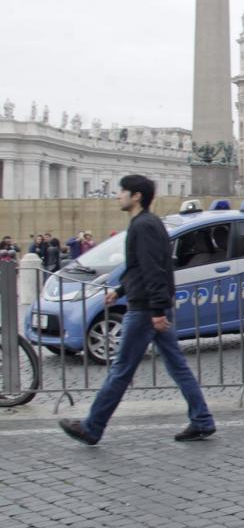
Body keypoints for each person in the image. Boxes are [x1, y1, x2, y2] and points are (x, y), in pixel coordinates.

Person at [58, 175, 216, 446]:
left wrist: (155, 311)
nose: (118, 195)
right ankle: (202, 419)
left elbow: (153, 269)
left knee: (121, 369)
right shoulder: (147, 224)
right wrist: (119, 291)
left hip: (145, 309)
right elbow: (140, 268)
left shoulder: (143, 226)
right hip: (150, 304)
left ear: (136, 196)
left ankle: (92, 427)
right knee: (177, 366)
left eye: (122, 191)